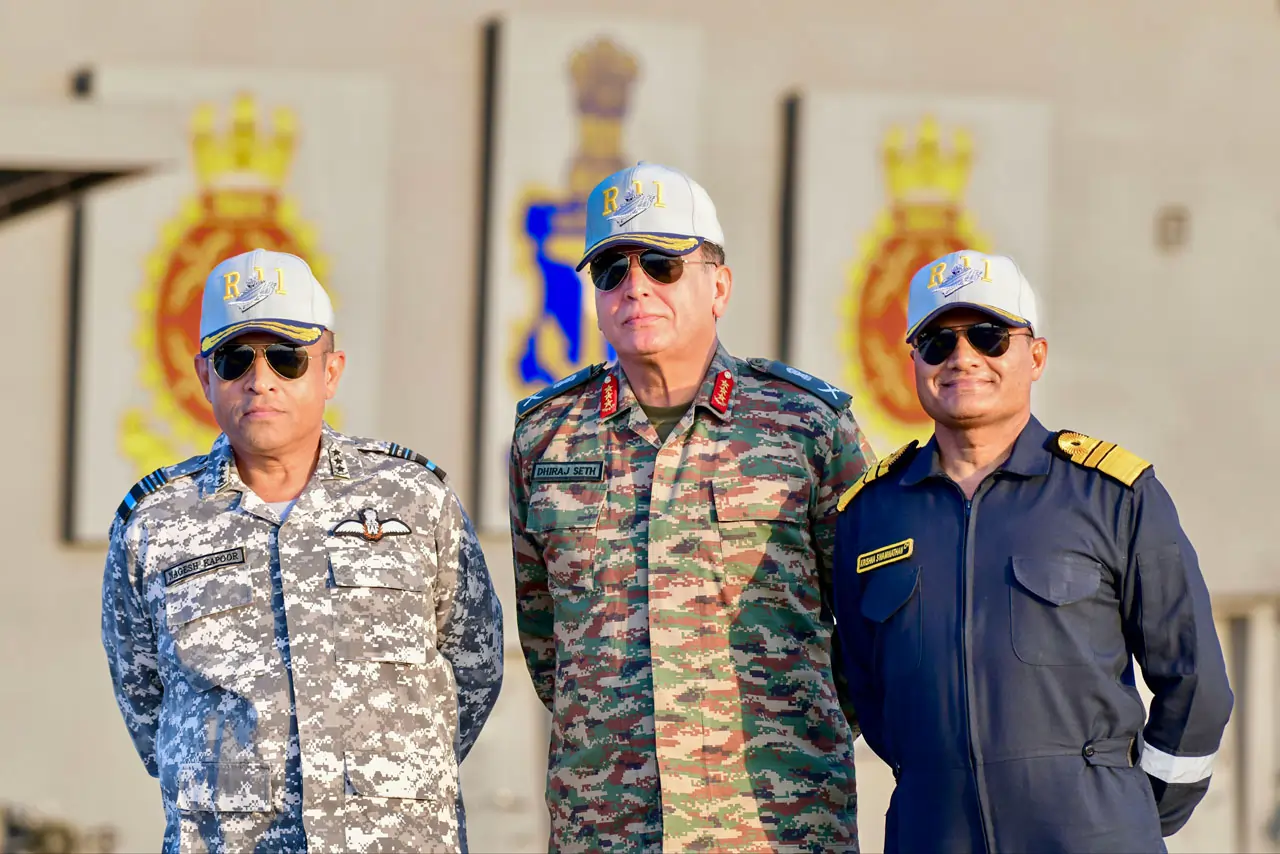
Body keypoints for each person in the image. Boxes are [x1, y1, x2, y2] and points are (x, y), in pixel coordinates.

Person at [508, 162, 877, 853]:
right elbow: (548, 645)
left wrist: (794, 730)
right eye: (610, 270)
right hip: (607, 827)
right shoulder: (545, 437)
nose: (635, 286)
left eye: (661, 264)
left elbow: (870, 626)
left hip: (775, 824)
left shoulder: (807, 427)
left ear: (719, 286)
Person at [101, 249, 503, 854]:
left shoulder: (413, 500)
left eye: (286, 359)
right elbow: (147, 706)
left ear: (331, 372)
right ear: (205, 376)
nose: (260, 380)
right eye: (236, 359)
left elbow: (474, 666)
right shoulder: (155, 524)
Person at [832, 250, 1234, 852]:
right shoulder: (871, 513)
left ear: (1035, 355)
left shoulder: (1112, 496)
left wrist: (1130, 811)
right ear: (913, 361)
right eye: (938, 341)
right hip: (932, 835)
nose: (964, 356)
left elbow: (1196, 681)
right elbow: (870, 691)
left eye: (990, 337)